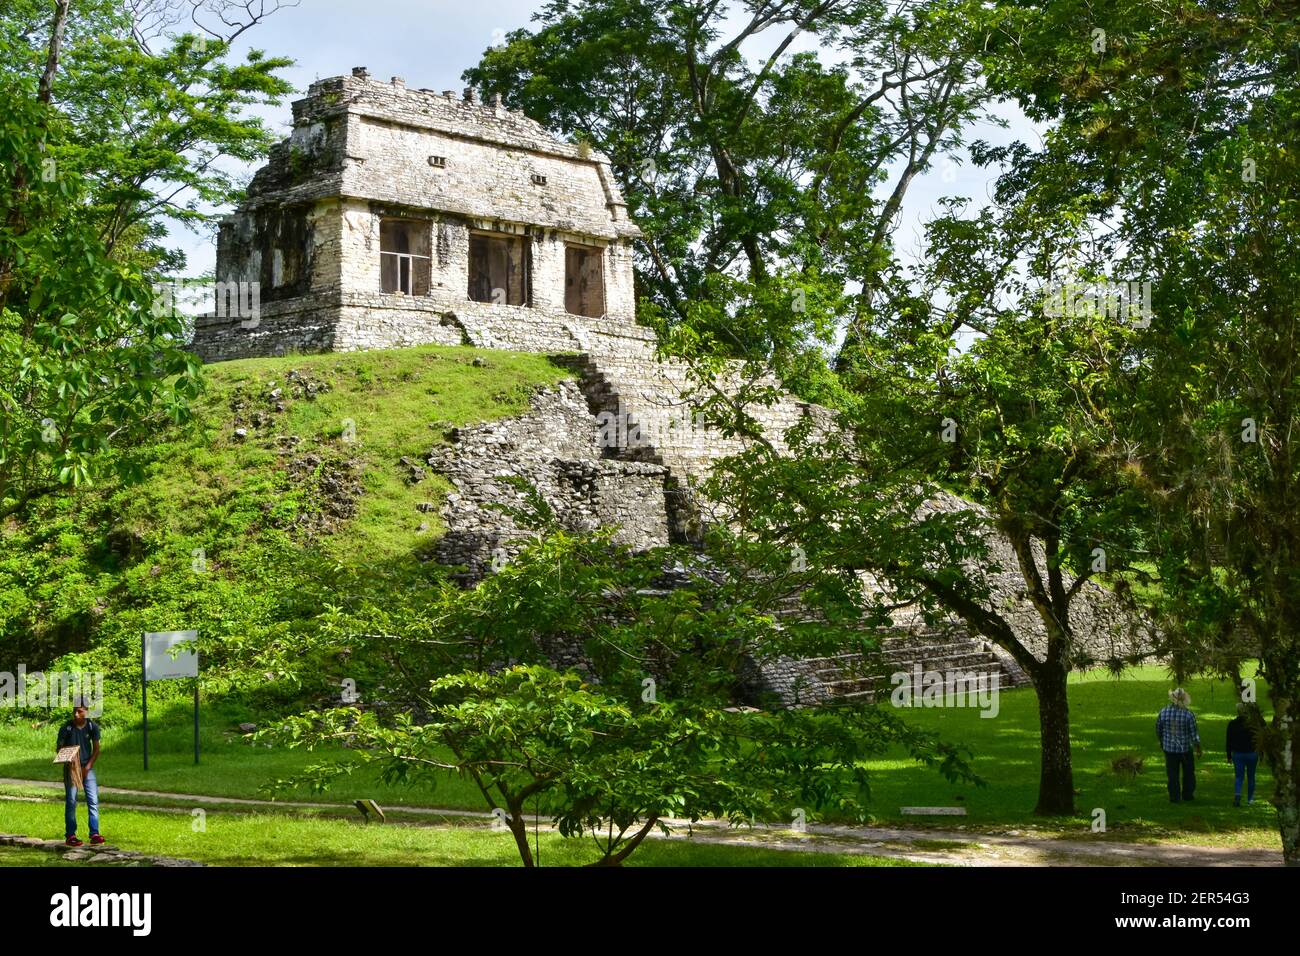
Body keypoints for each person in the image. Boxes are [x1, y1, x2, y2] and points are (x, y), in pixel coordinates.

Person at [56, 697, 103, 847]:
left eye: (79, 711)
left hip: (87, 768)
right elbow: (59, 749)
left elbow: (96, 749)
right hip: (71, 769)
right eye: (74, 711)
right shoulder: (66, 727)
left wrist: (87, 767)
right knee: (71, 801)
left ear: (86, 712)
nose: (76, 714)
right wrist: (69, 759)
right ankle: (71, 835)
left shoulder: (92, 726)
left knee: (93, 800)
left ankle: (94, 833)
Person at [1156, 687, 1201, 803]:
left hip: (1169, 749)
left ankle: (1174, 797)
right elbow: (1194, 733)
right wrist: (1198, 748)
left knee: (1172, 774)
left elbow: (1158, 729)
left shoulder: (1163, 712)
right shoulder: (1188, 714)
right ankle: (1187, 794)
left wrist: (1161, 741)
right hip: (1185, 749)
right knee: (1188, 773)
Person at [1226, 703, 1259, 807]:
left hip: (1238, 754)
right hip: (1252, 753)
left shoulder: (1232, 724)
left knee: (1239, 777)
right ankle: (1250, 799)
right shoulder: (1252, 724)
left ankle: (1237, 795)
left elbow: (1229, 741)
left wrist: (1229, 756)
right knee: (1251, 777)